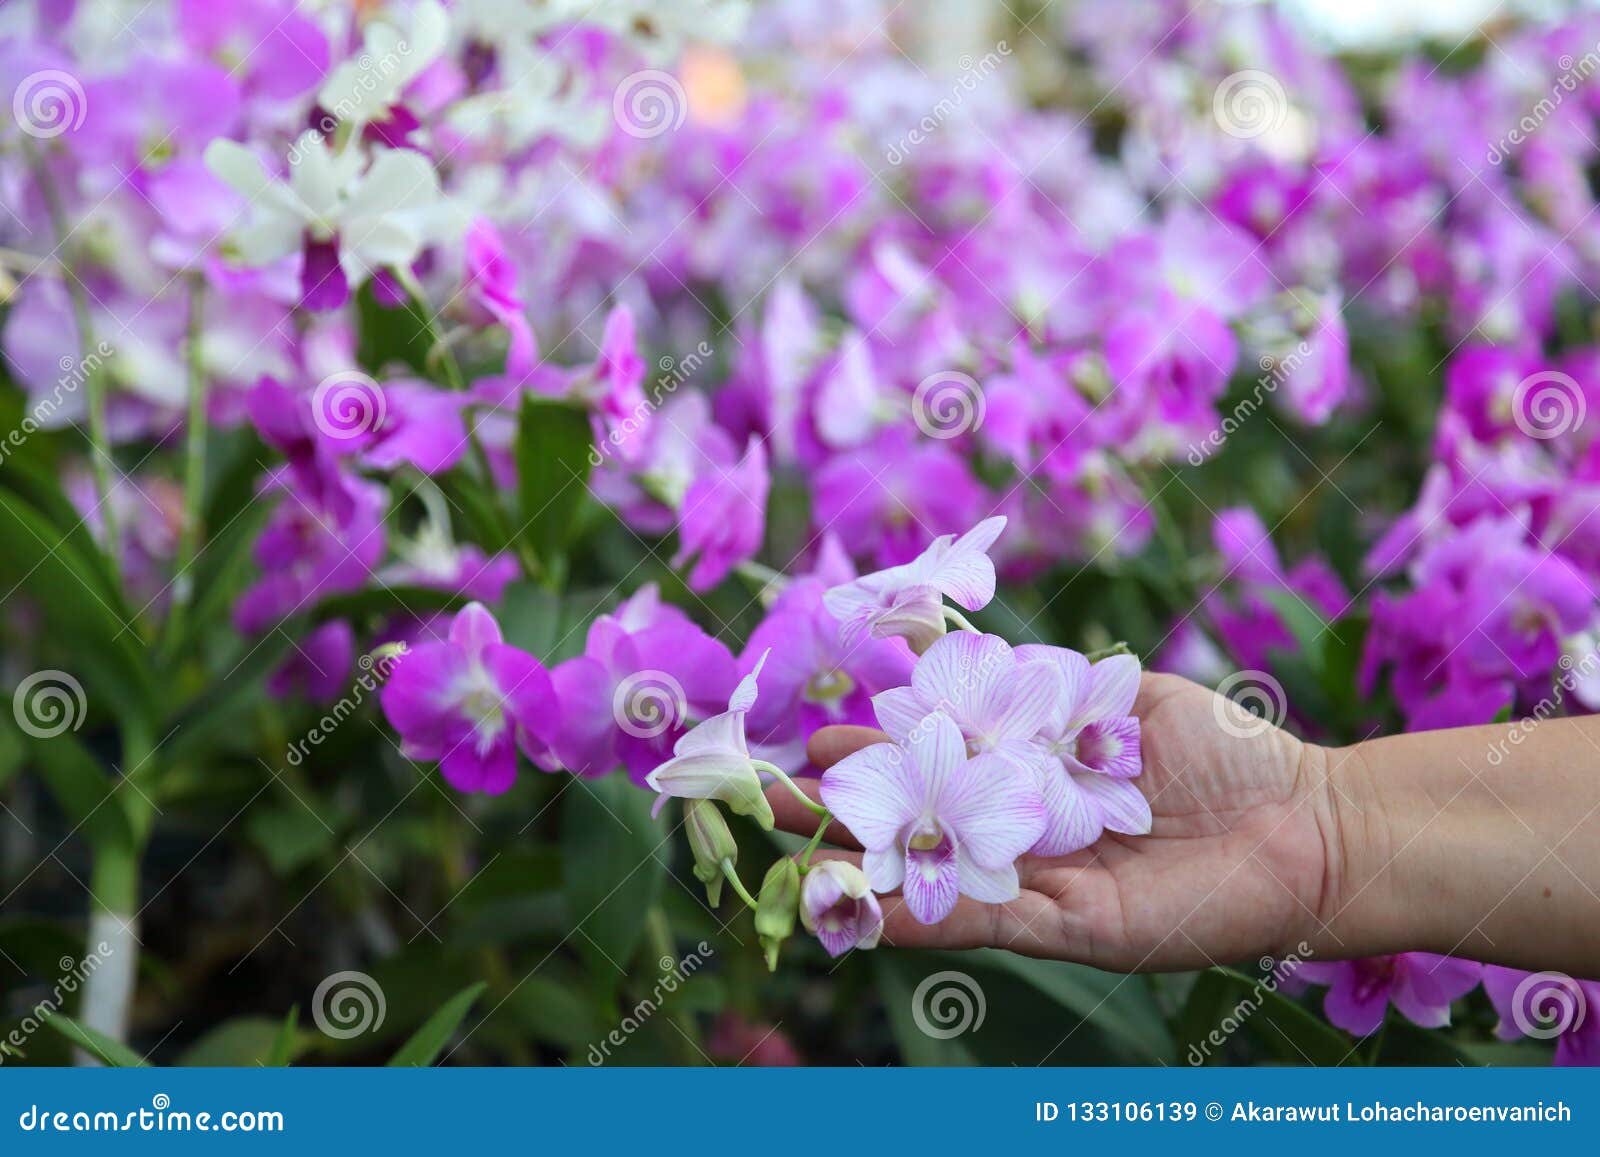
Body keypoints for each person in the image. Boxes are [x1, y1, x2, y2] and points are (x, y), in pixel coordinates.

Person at [765, 671, 1600, 977]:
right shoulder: (957, 827)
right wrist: (1332, 823)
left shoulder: (1033, 773)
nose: (926, 848)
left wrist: (1332, 822)